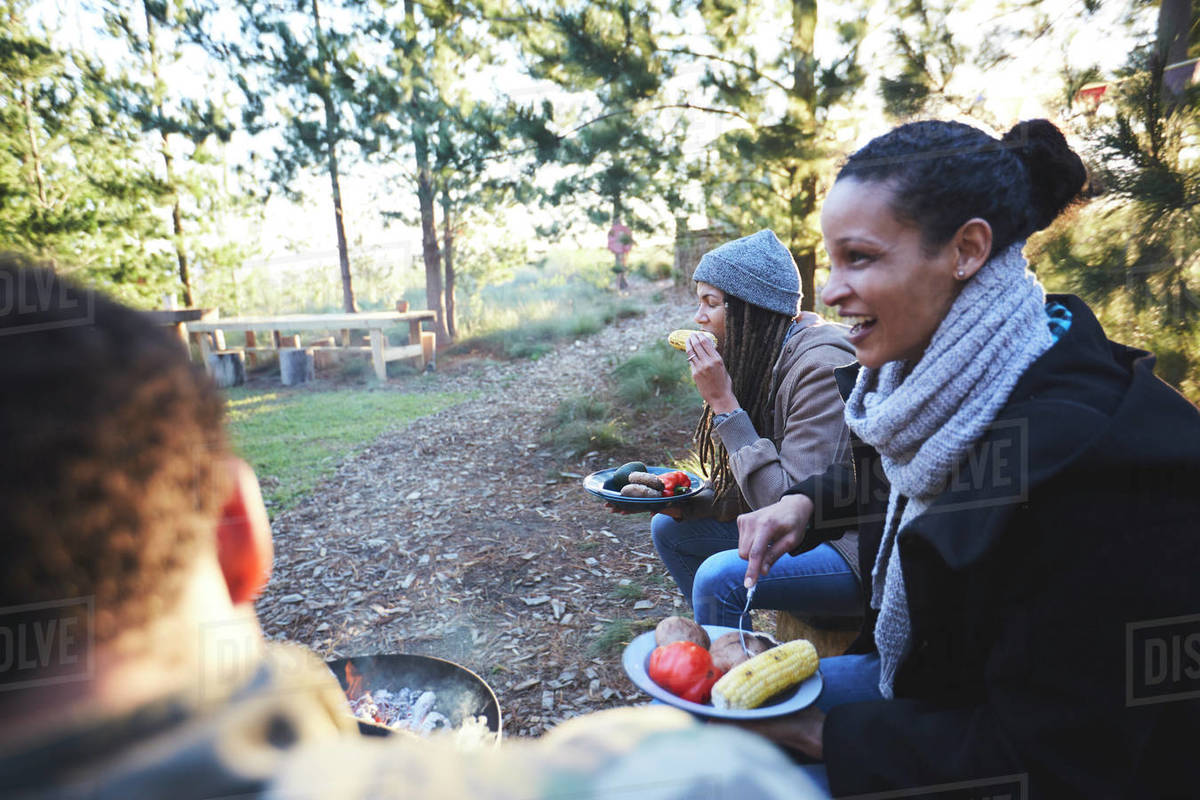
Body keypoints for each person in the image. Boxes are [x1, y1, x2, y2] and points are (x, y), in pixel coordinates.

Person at [0, 255, 826, 800]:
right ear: (241, 536)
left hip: (836, 550)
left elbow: (799, 497)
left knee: (700, 560)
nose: (697, 316)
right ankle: (727, 678)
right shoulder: (709, 779)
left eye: (711, 304)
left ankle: (727, 662)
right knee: (697, 558)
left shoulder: (812, 364)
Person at [733, 120, 1200, 797]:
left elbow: (1058, 761)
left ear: (967, 250)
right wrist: (805, 503)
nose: (830, 292)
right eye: (831, 262)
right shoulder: (941, 380)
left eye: (859, 258)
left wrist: (814, 733)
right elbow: (903, 478)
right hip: (923, 684)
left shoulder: (1102, 473)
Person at [647, 229, 859, 630]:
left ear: (751, 311)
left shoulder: (821, 369)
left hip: (846, 549)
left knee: (717, 580)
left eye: (711, 303)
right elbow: (755, 491)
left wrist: (724, 403)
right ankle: (733, 652)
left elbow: (788, 506)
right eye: (699, 303)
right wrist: (692, 503)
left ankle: (732, 684)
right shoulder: (766, 358)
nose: (699, 318)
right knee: (670, 527)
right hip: (806, 533)